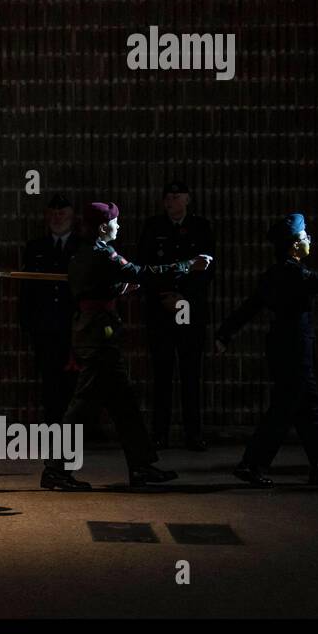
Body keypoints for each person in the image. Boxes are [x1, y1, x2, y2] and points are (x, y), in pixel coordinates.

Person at [40, 202, 211, 491]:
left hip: (94, 333)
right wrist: (186, 265)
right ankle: (56, 468)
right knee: (81, 408)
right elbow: (141, 273)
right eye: (116, 222)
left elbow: (94, 288)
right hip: (99, 339)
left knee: (124, 406)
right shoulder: (100, 252)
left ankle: (141, 466)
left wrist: (119, 287)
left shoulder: (84, 252)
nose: (119, 227)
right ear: (104, 226)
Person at [216, 213, 318, 487]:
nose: (309, 240)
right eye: (304, 237)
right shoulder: (295, 274)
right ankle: (252, 464)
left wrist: (225, 334)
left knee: (308, 409)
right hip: (295, 349)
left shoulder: (273, 274)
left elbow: (250, 306)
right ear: (294, 245)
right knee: (284, 409)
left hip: (282, 346)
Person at [137, 180, 215, 450]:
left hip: (190, 308)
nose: (171, 201)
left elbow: (207, 269)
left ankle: (194, 434)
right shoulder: (153, 227)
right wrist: (164, 296)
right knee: (162, 373)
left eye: (177, 196)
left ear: (188, 199)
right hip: (161, 308)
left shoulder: (200, 227)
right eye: (167, 197)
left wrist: (185, 297)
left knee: (191, 373)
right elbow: (144, 266)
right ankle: (160, 433)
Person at [20, 194, 80, 423]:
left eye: (62, 213)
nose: (57, 218)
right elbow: (27, 287)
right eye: (53, 213)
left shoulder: (81, 246)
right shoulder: (36, 247)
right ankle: (53, 424)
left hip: (73, 323)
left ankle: (74, 427)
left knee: (74, 379)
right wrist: (27, 320)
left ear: (72, 216)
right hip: (44, 324)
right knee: (49, 377)